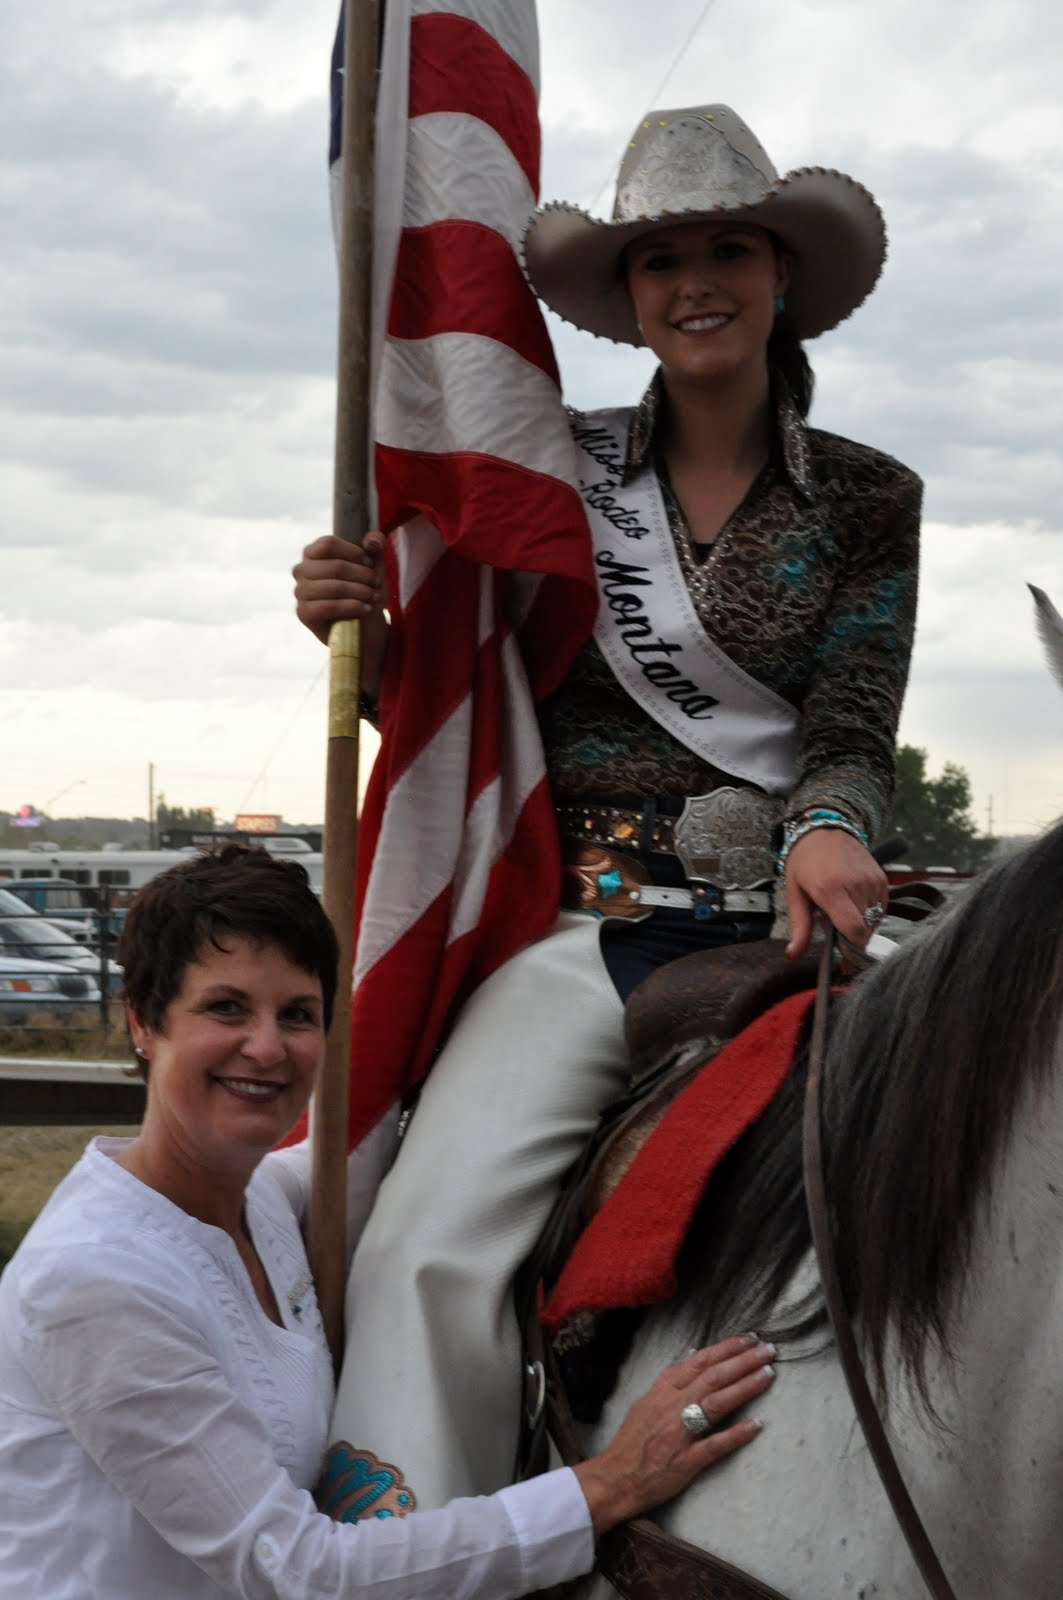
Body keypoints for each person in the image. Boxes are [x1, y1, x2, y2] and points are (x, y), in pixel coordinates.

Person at [293, 104, 921, 1506]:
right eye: (658, 261)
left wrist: (828, 822)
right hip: (585, 930)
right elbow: (470, 715)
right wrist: (369, 642)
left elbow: (849, 725)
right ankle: (425, 1560)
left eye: (726, 248)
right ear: (629, 304)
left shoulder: (872, 498)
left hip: (779, 929)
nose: (694, 281)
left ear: (776, 276)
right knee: (421, 1251)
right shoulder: (547, 475)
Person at [0, 843, 775, 1599]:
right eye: (225, 1008)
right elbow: (301, 1572)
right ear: (143, 1023)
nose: (266, 1047)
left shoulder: (269, 1198)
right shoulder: (96, 1280)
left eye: (298, 1014)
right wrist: (604, 1486)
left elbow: (436, 1161)